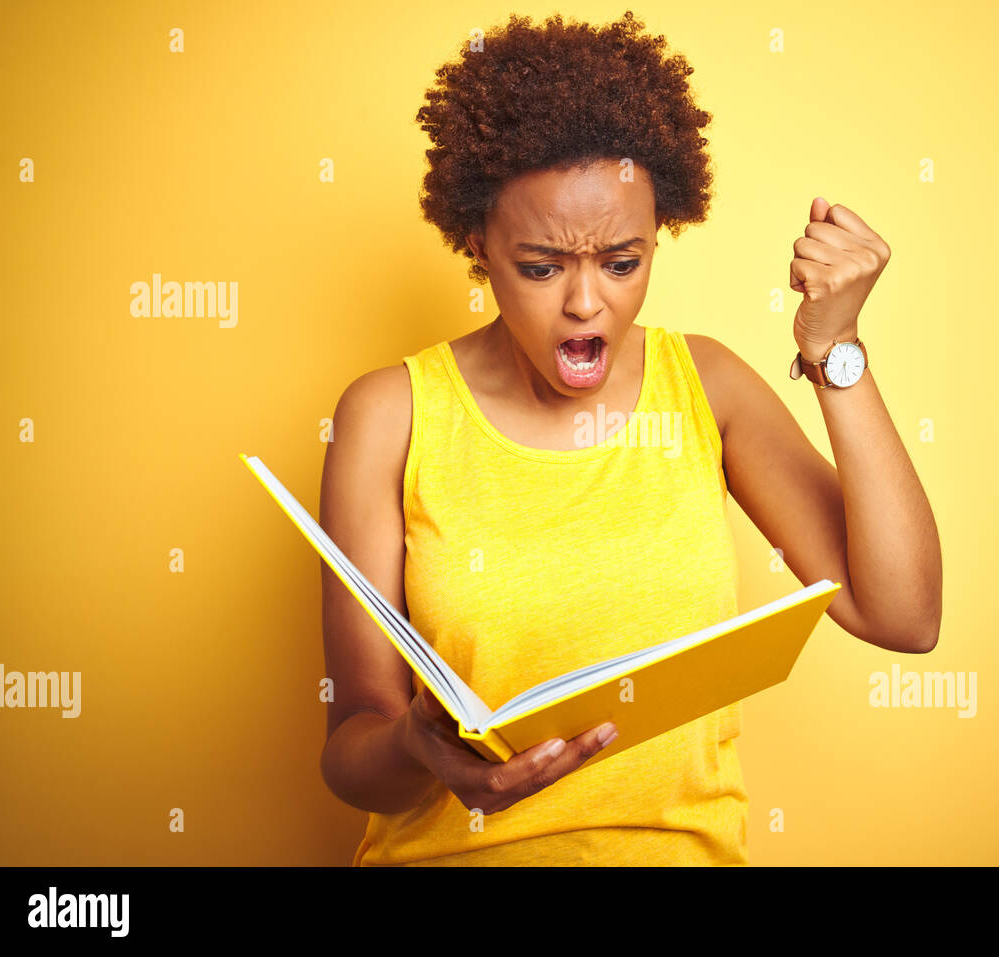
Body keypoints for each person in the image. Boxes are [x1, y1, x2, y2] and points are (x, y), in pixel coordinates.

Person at [317, 11, 941, 866]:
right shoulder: (390, 415)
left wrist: (834, 349)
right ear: (477, 243)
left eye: (622, 262)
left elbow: (904, 615)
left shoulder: (706, 387)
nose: (586, 304)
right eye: (541, 267)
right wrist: (416, 751)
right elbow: (353, 745)